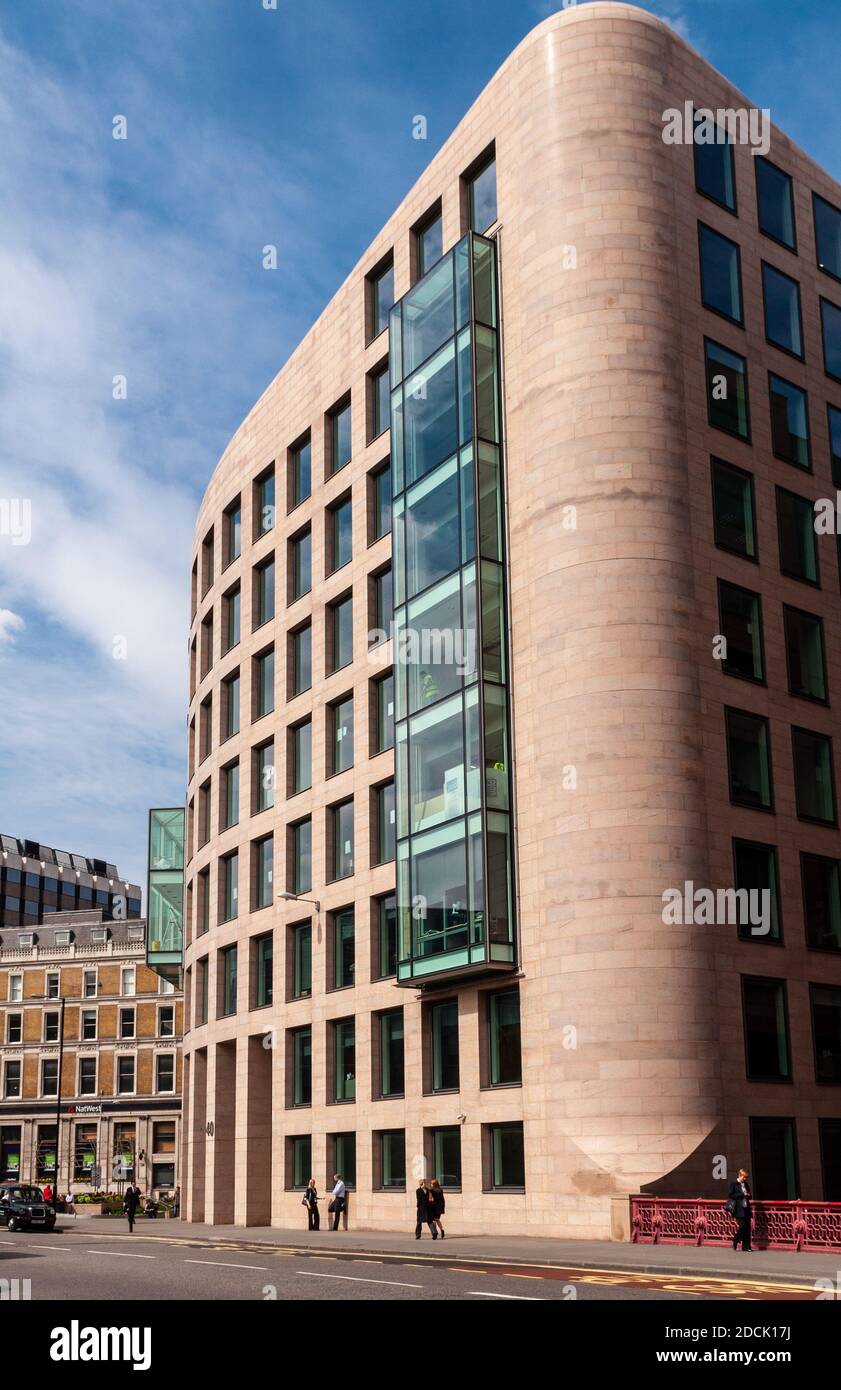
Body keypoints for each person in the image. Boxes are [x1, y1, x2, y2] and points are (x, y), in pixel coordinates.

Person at [728, 1168, 752, 1251]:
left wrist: (748, 1194)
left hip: (746, 1208)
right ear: (740, 1175)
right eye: (744, 1177)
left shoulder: (745, 1184)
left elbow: (750, 1194)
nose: (745, 1179)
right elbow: (731, 1195)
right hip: (738, 1209)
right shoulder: (734, 1183)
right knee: (742, 1226)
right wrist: (742, 1194)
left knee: (747, 1228)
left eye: (746, 1177)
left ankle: (747, 1247)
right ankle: (736, 1239)